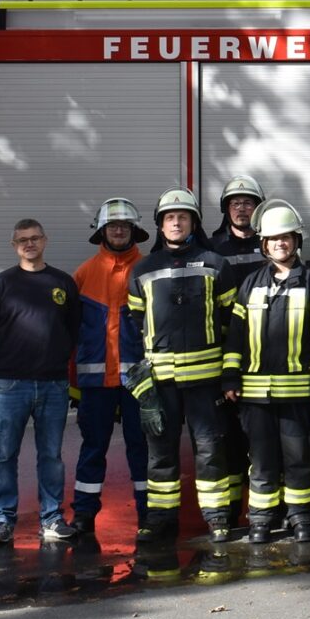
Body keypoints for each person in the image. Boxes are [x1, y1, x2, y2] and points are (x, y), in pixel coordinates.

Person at [126, 187, 241, 543]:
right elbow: (133, 328)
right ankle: (161, 521)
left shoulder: (214, 263)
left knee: (210, 451)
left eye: (183, 216)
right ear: (161, 225)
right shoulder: (142, 270)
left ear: (194, 221)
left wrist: (227, 375)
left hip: (206, 384)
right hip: (161, 384)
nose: (176, 222)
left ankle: (218, 518)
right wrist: (142, 389)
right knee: (160, 456)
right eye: (169, 217)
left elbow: (231, 323)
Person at [221, 201, 310, 544]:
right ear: (264, 244)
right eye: (273, 239)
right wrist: (230, 377)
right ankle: (261, 520)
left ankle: (300, 518)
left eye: (286, 238)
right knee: (262, 460)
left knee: (299, 458)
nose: (280, 244)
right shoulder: (251, 283)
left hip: (297, 393)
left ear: (296, 241)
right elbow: (236, 335)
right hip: (255, 395)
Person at [0, 219, 83, 546]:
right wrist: (0, 366)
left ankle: (52, 518)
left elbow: (74, 329)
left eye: (35, 238)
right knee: (5, 454)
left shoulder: (62, 283)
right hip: (10, 384)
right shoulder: (1, 284)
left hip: (53, 383)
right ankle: (3, 519)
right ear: (14, 245)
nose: (29, 244)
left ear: (45, 240)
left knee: (50, 454)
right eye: (22, 240)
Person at [69, 198, 151, 537]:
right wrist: (72, 383)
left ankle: (149, 514)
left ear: (134, 231)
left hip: (139, 380)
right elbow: (70, 331)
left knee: (142, 448)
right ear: (101, 230)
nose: (118, 230)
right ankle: (84, 515)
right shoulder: (84, 273)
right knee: (93, 448)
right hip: (95, 383)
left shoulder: (147, 269)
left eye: (125, 226)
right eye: (113, 226)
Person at [209, 174, 267, 527]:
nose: (243, 208)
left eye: (249, 202)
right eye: (236, 203)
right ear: (226, 209)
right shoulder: (214, 250)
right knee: (228, 438)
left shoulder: (273, 241)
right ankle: (230, 510)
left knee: (262, 437)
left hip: (267, 355)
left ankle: (264, 509)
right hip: (227, 354)